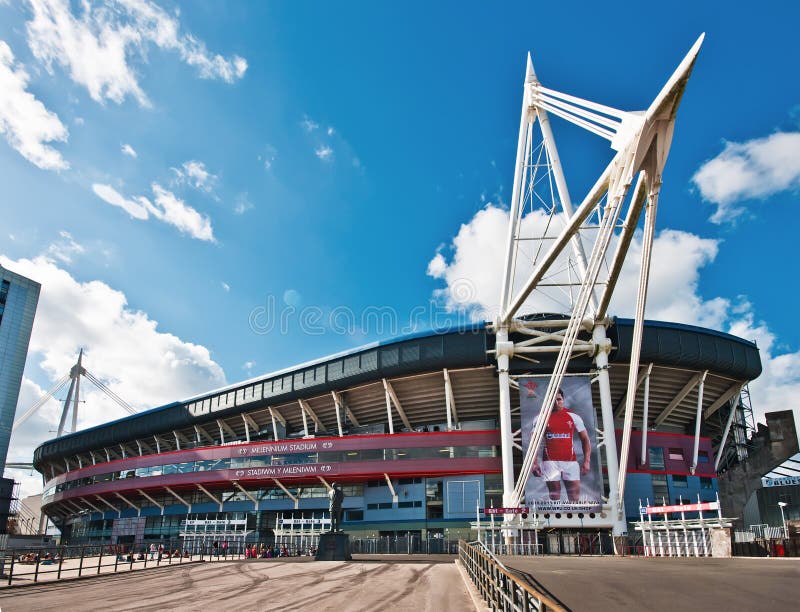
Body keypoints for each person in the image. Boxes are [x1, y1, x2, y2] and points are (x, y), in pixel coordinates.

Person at [531, 388, 591, 502]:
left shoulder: (573, 416)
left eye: (559, 399)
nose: (556, 402)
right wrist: (534, 463)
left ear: (563, 400)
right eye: (552, 400)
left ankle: (573, 514)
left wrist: (587, 461)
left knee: (575, 499)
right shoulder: (540, 417)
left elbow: (585, 439)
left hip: (570, 461)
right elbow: (534, 441)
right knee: (555, 497)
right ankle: (555, 512)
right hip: (550, 462)